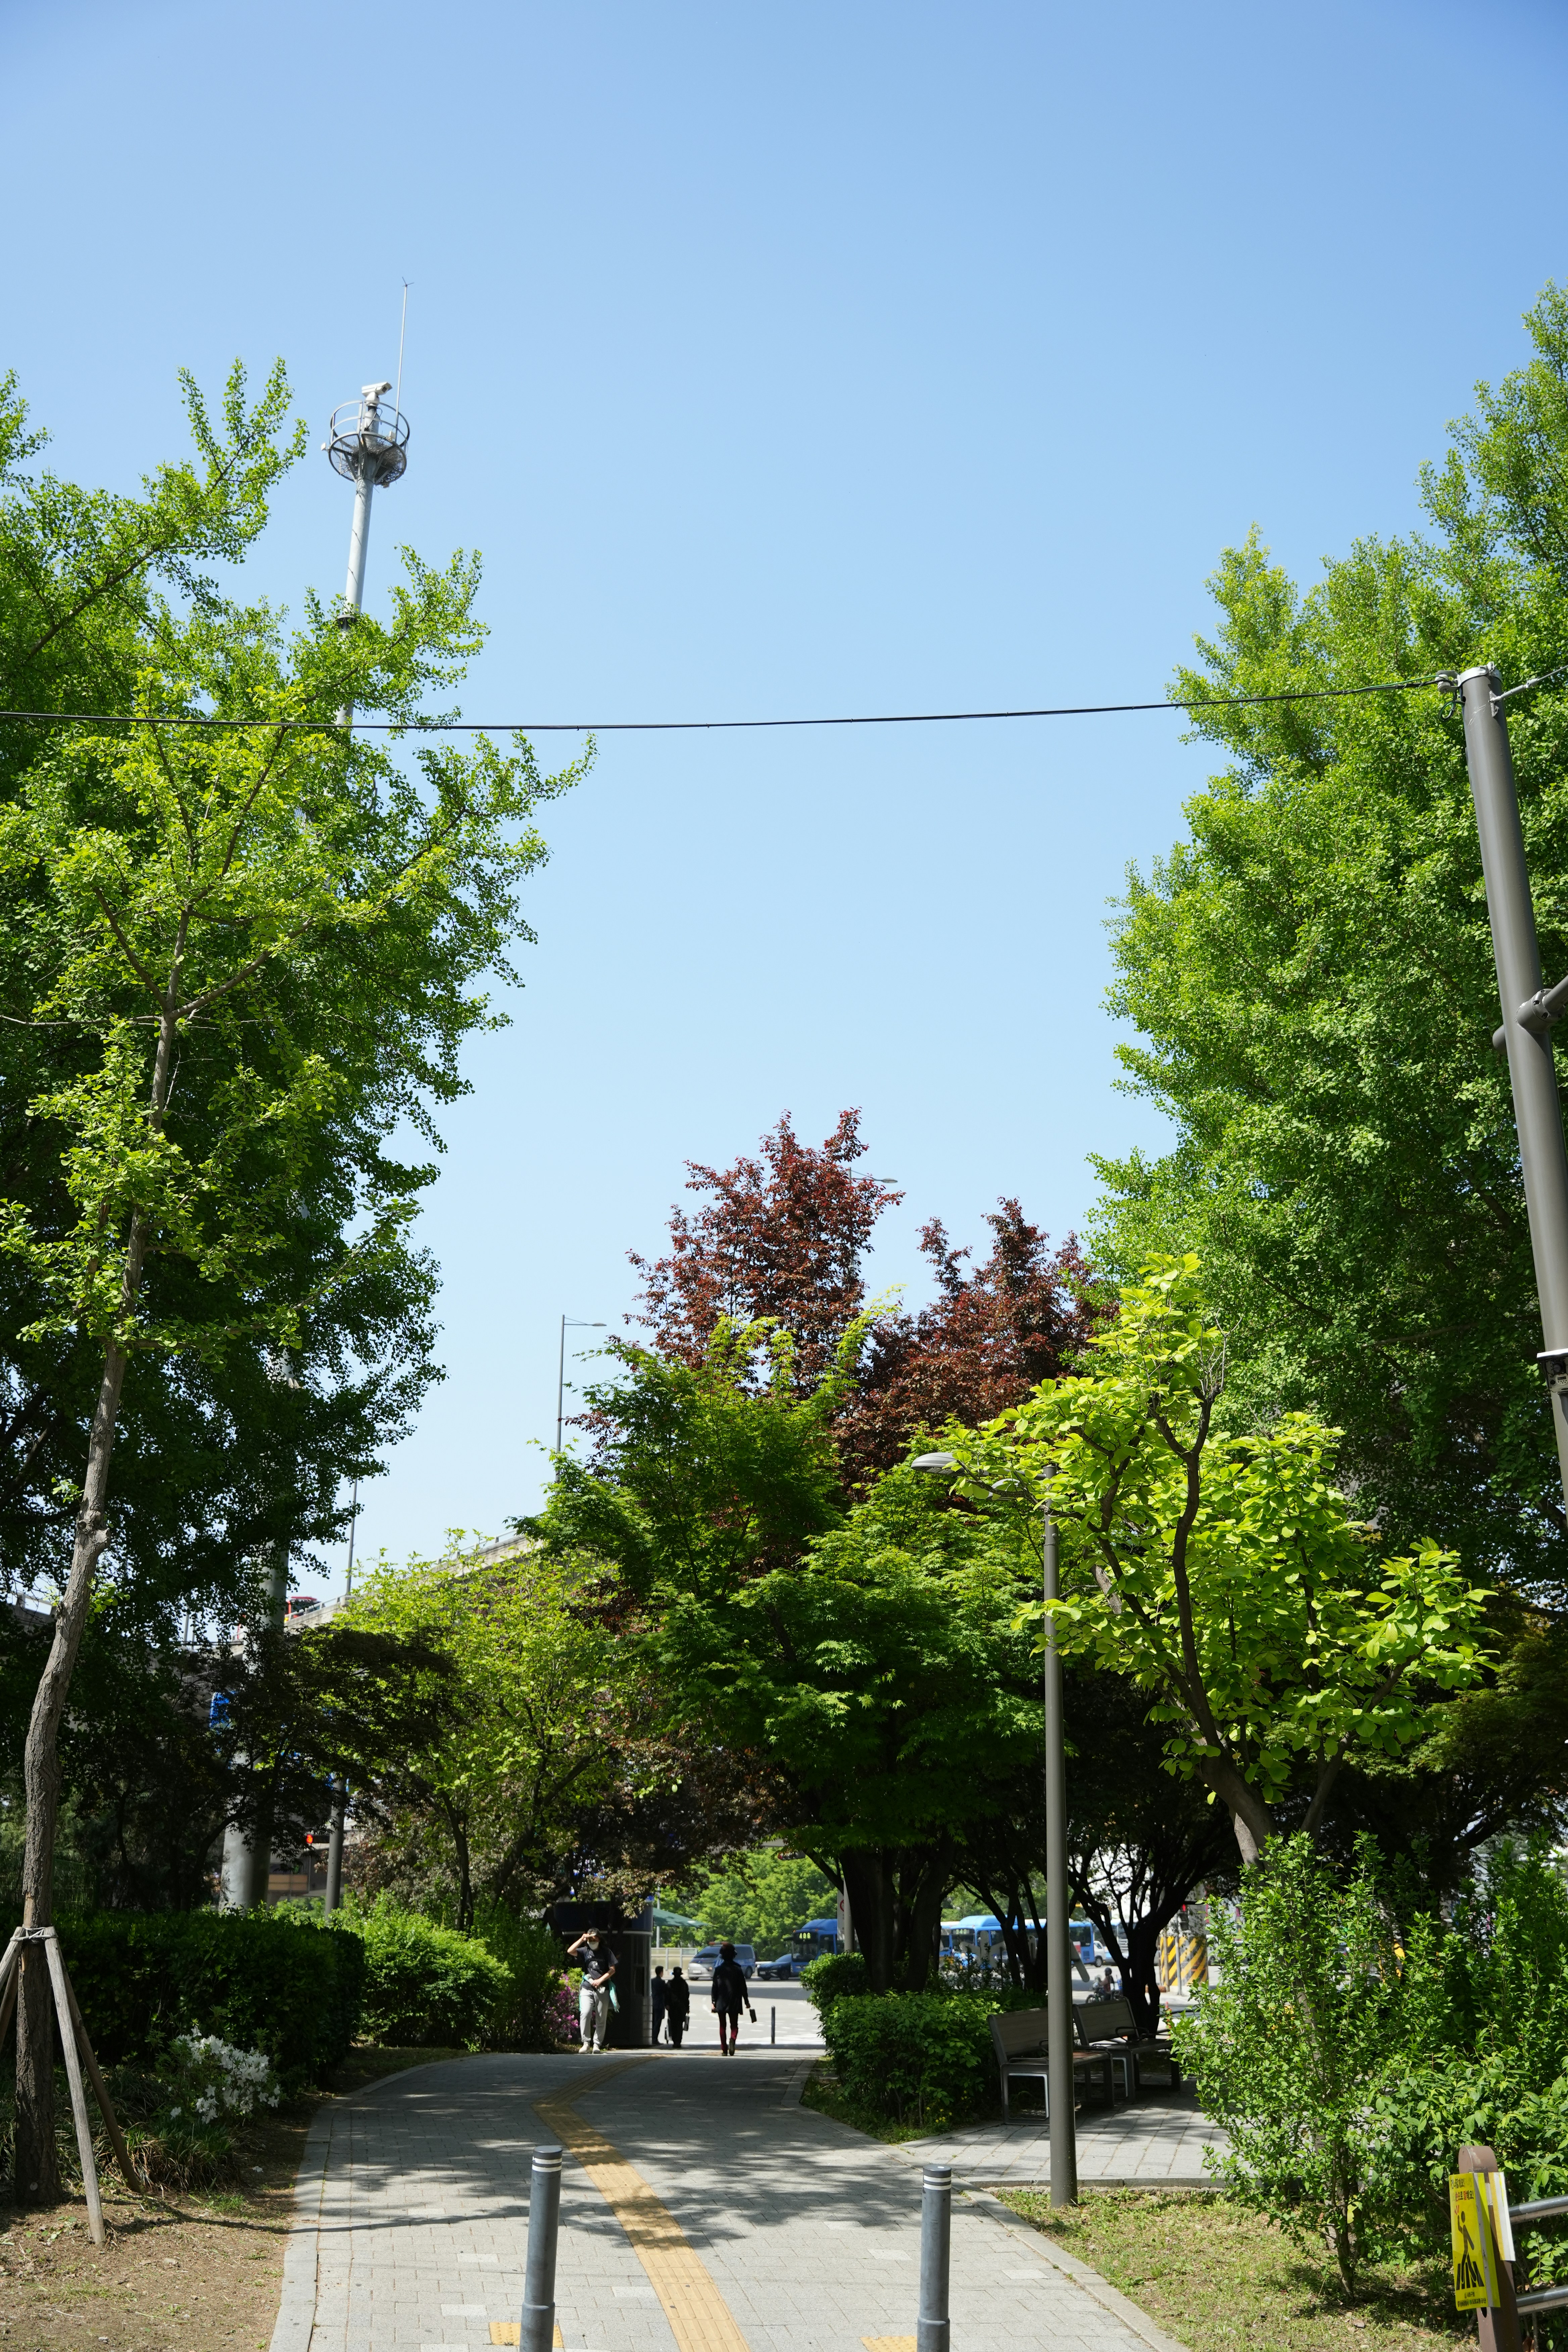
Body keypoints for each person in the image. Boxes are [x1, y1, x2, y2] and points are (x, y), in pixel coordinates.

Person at [566, 1927, 617, 2052]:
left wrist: (601, 1980)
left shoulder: (606, 1952)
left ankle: (597, 2044)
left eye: (593, 1939)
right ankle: (586, 2043)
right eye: (589, 1939)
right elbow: (570, 1951)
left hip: (602, 1989)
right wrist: (582, 1939)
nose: (591, 1941)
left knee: (601, 2017)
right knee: (585, 2013)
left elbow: (612, 1969)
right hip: (587, 1987)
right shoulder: (585, 1951)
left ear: (598, 1939)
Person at [710, 1940, 754, 2056]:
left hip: (721, 2001)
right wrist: (747, 2002)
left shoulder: (719, 1970)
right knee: (734, 2025)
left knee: (722, 2026)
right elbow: (743, 1988)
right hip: (735, 2001)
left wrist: (713, 2001)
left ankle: (724, 2049)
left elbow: (715, 1987)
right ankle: (733, 2040)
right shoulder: (738, 1970)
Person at [665, 1965, 690, 2048]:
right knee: (680, 2025)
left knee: (674, 2024)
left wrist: (667, 2004)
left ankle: (676, 2040)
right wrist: (688, 2008)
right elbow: (687, 1997)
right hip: (682, 2007)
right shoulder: (684, 1984)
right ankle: (678, 2041)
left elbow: (667, 1995)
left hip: (673, 2007)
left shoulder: (670, 1984)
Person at [651, 1964, 668, 2045]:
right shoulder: (662, 1982)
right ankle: (655, 2039)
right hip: (660, 2004)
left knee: (653, 2021)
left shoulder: (652, 1981)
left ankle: (652, 2038)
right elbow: (665, 1993)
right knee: (658, 2023)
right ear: (661, 1973)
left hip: (653, 2003)